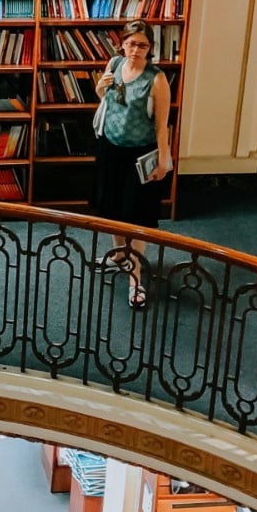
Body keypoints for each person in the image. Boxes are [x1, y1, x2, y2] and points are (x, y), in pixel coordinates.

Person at [91, 18, 174, 309]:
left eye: (142, 45)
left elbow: (162, 126)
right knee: (113, 210)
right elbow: (106, 101)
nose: (135, 49)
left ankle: (135, 277)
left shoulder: (156, 79)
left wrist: (163, 162)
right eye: (131, 43)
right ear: (122, 43)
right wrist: (101, 89)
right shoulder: (114, 64)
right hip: (111, 149)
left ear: (150, 48)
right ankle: (118, 256)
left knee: (136, 216)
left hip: (139, 156)